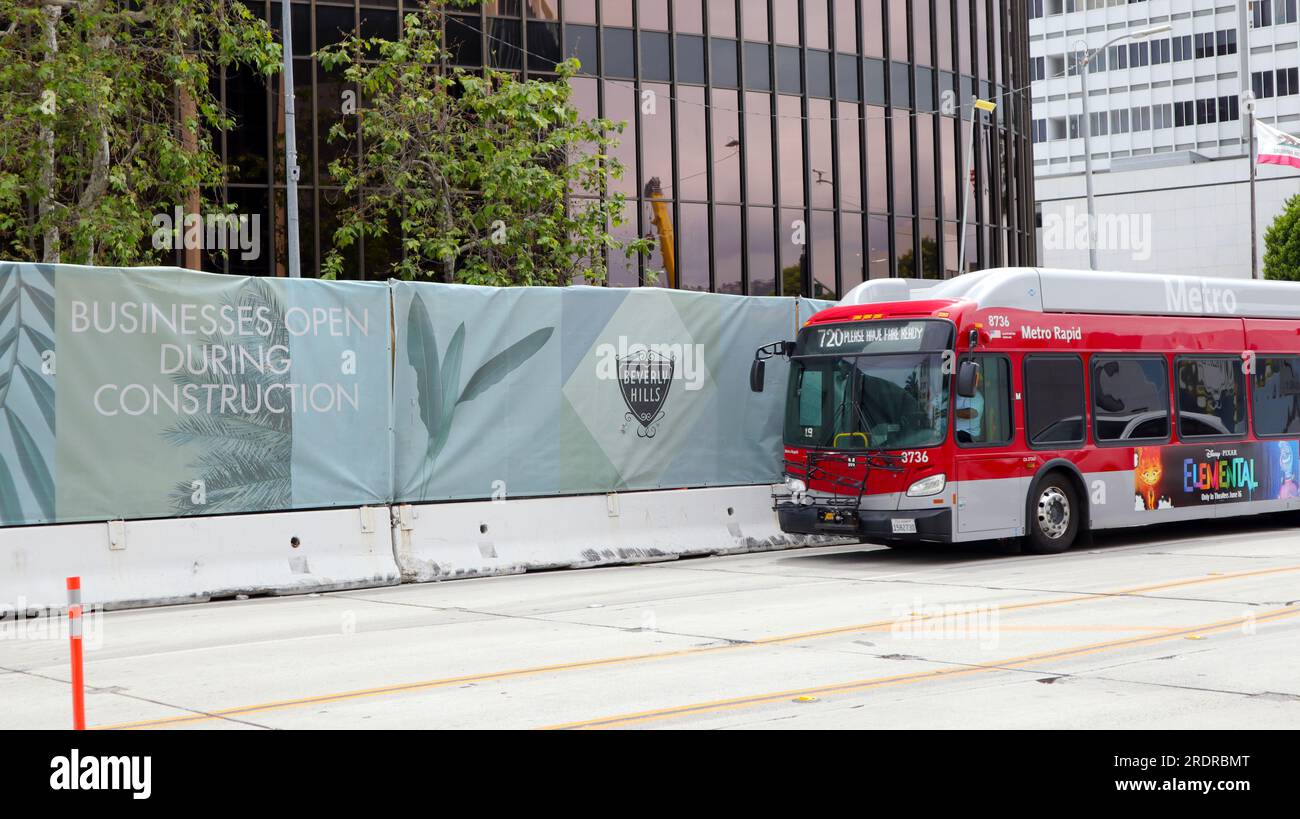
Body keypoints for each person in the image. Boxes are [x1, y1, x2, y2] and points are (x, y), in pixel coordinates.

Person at [955, 367, 984, 443]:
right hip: (949, 430)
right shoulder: (953, 392)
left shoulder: (976, 396)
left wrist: (948, 413)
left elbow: (971, 413)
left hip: (967, 435)